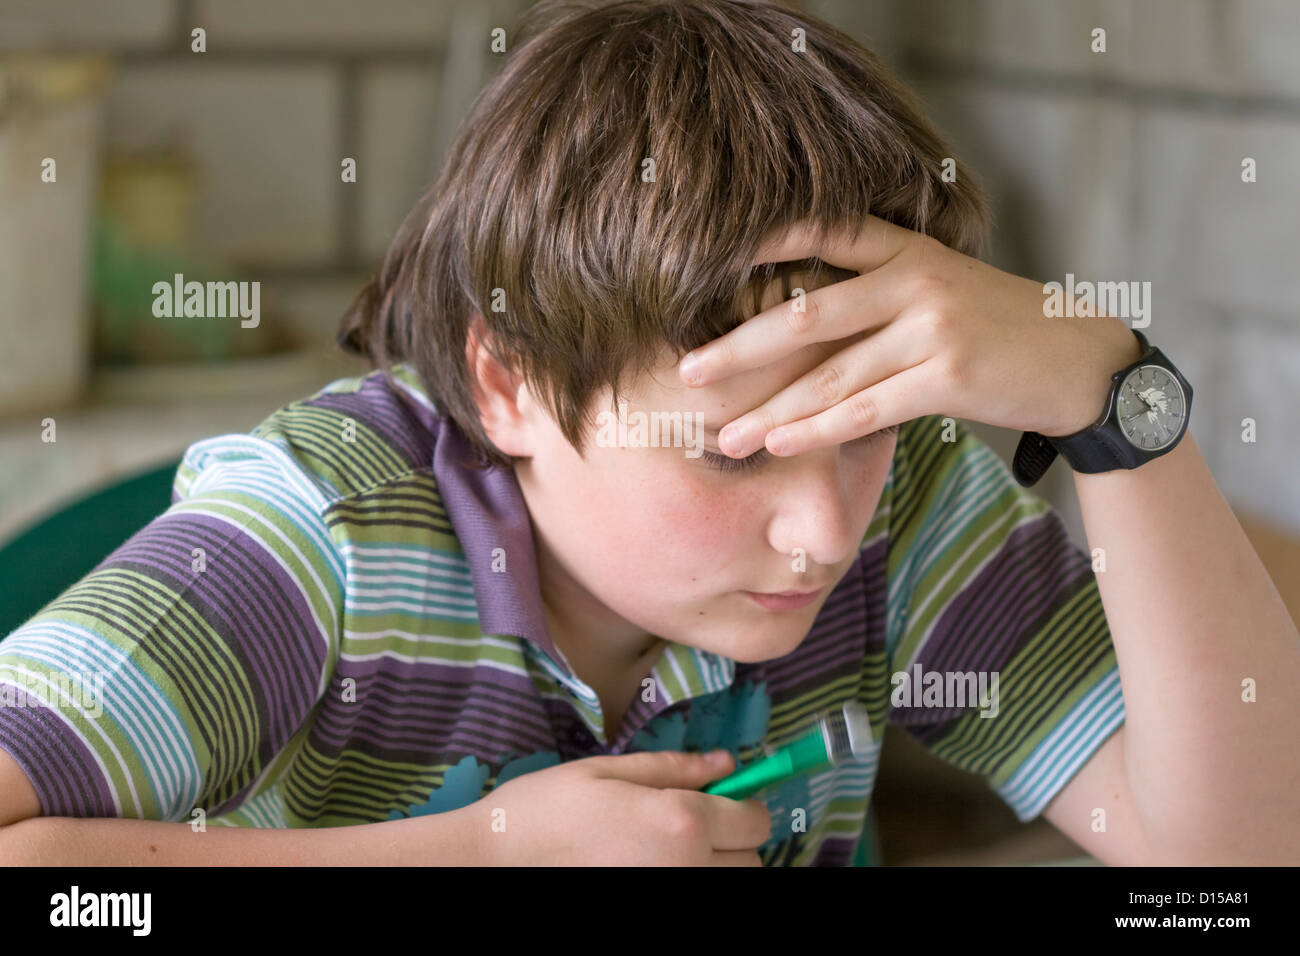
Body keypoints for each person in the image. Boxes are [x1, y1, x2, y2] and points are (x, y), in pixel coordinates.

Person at [1, 0, 1295, 866]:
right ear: (504, 384)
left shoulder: (909, 511)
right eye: (732, 449)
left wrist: (1118, 400)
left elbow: (1234, 854)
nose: (826, 529)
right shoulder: (320, 533)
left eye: (860, 433)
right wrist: (481, 847)